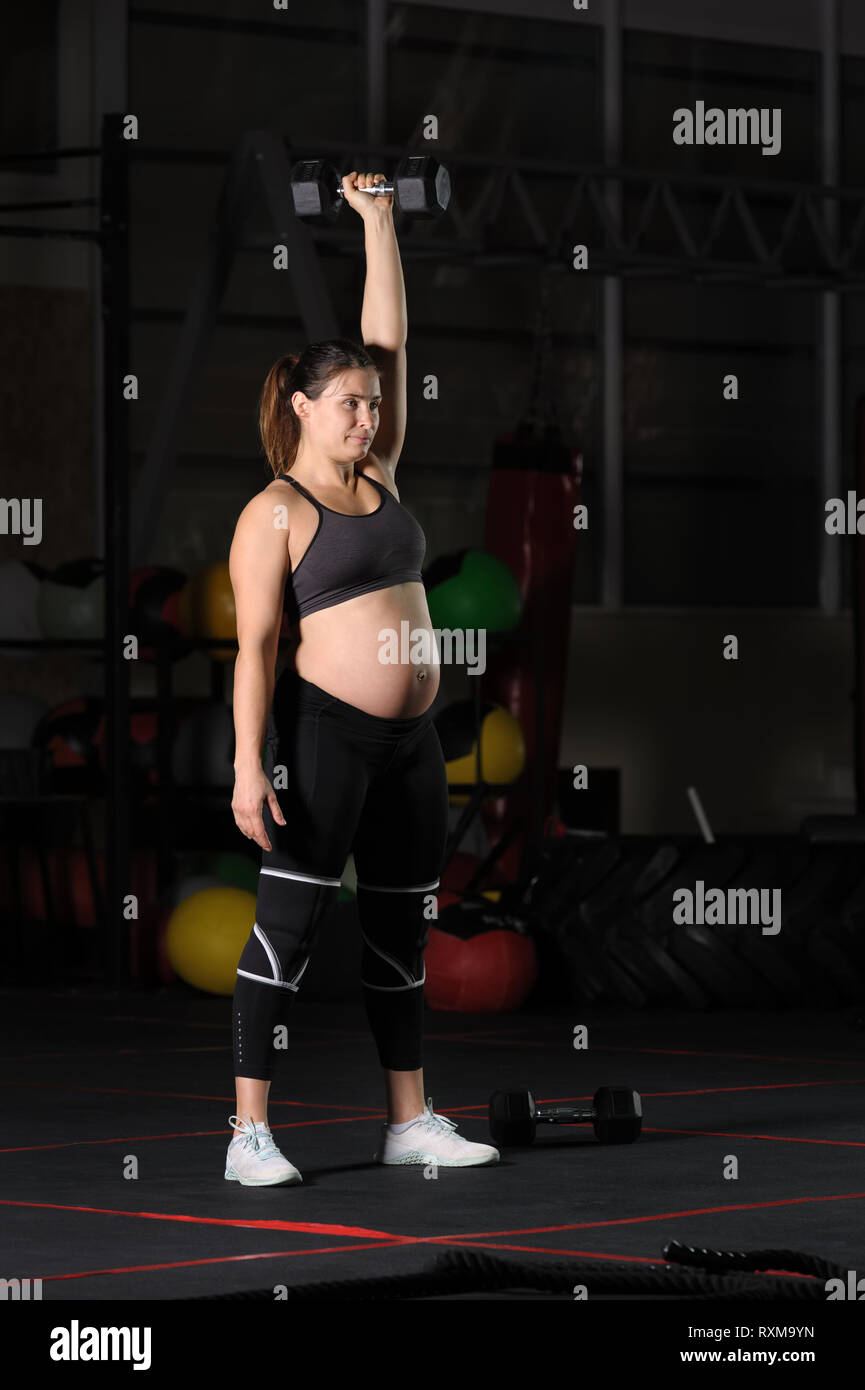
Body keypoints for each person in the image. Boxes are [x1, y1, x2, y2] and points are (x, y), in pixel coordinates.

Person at [224, 169, 499, 1184]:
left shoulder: (381, 476)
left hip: (408, 741)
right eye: (347, 405)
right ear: (301, 406)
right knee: (286, 930)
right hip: (324, 738)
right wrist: (250, 767)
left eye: (372, 406)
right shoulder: (274, 512)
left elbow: (390, 340)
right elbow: (254, 650)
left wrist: (379, 222)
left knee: (399, 930)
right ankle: (248, 1133)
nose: (365, 417)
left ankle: (407, 1119)